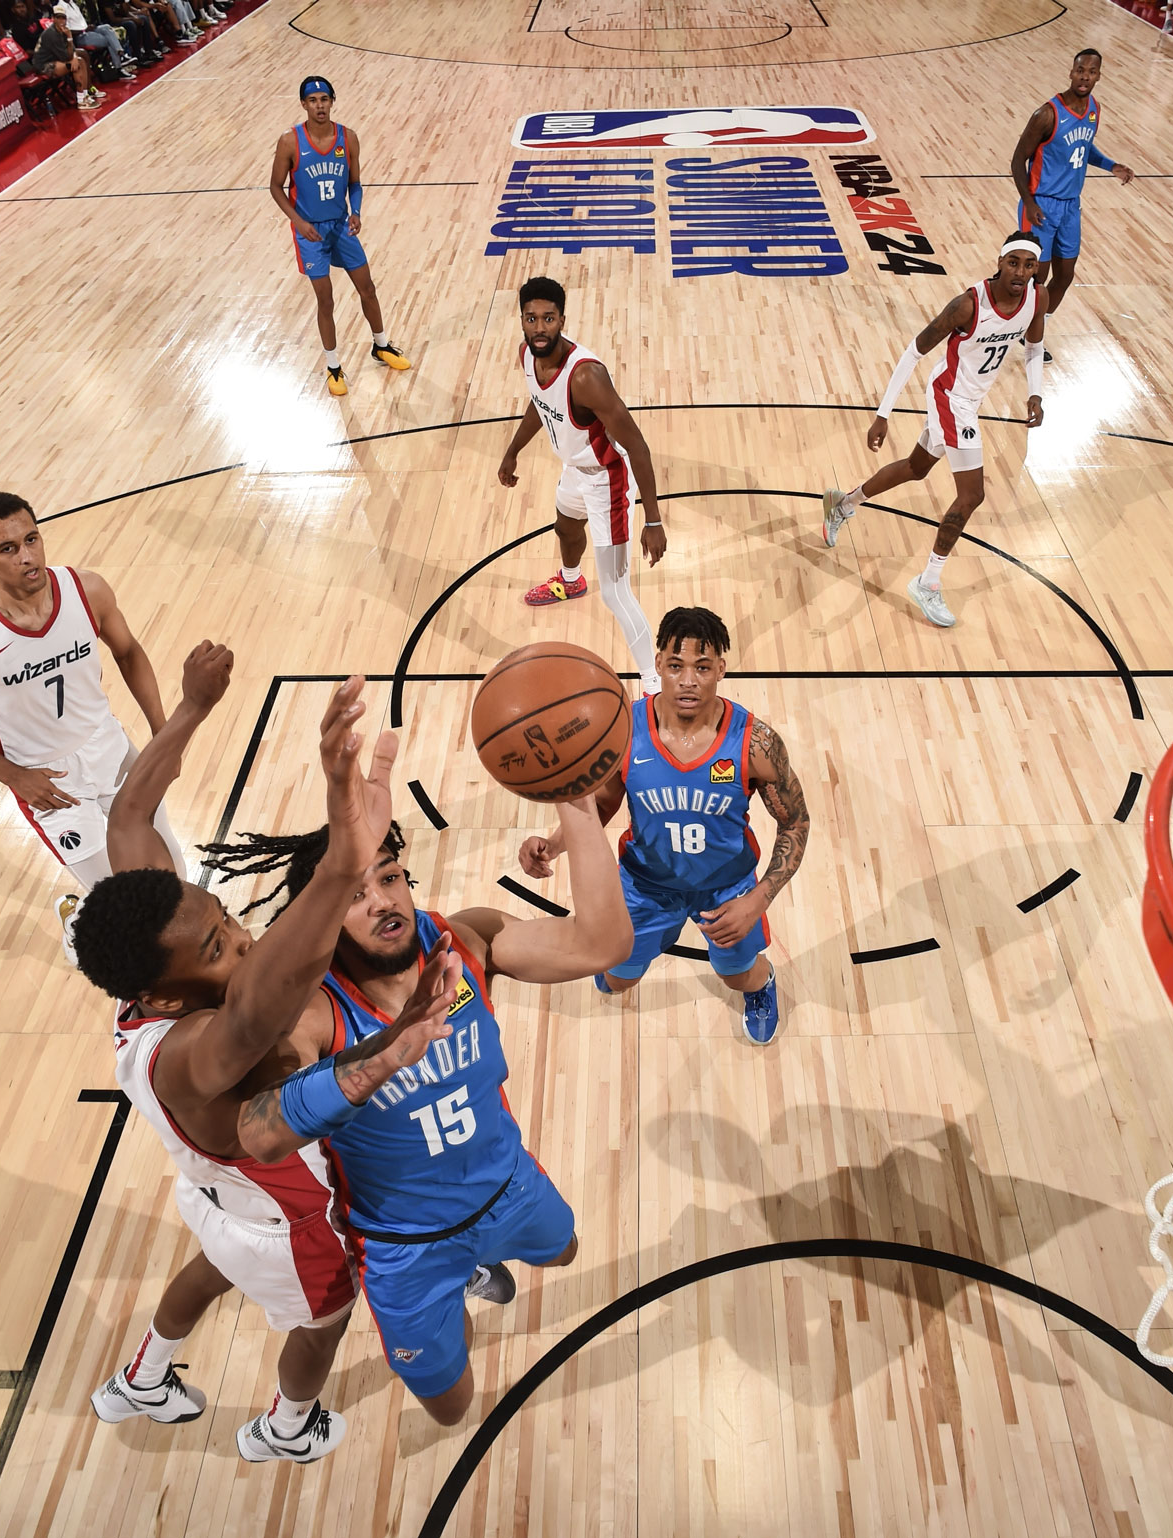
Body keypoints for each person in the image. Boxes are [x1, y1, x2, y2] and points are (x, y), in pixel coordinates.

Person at [77, 661, 462, 1461]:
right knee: (323, 1319)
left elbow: (130, 812)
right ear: (173, 996)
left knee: (215, 1258)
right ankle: (289, 1427)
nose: (242, 939)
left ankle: (145, 1378)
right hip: (291, 1215)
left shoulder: (150, 972)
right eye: (220, 947)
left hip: (215, 1191)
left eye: (221, 916)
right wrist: (341, 865)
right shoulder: (199, 1050)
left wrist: (190, 707)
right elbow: (259, 1002)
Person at [224, 745, 636, 1428]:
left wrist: (574, 794)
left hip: (508, 1185)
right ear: (323, 912)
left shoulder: (462, 941)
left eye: (389, 877)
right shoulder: (313, 1014)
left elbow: (603, 945)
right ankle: (456, 1292)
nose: (382, 902)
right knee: (452, 1407)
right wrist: (383, 1057)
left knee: (565, 1250)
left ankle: (483, 1263)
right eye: (353, 894)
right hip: (405, 1249)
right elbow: (258, 1133)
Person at [518, 606, 808, 1045]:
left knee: (738, 975)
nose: (688, 681)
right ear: (658, 666)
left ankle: (762, 986)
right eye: (676, 666)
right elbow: (604, 804)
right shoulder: (623, 731)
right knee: (617, 978)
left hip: (726, 887)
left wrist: (757, 900)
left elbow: (796, 824)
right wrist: (556, 844)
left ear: (721, 671)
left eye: (702, 667)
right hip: (645, 884)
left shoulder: (755, 743)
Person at [0, 492, 179, 942]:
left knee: (175, 874)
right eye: (8, 549)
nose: (28, 557)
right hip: (48, 781)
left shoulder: (86, 589)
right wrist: (12, 775)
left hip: (110, 748)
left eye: (32, 539)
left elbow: (128, 652)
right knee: (133, 906)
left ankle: (83, 914)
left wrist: (162, 734)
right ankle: (85, 920)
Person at [821, 232, 1047, 630]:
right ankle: (928, 582)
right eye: (1014, 263)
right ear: (999, 261)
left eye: (1029, 265)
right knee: (972, 495)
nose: (1021, 272)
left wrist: (1036, 394)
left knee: (916, 466)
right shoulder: (968, 305)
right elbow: (915, 351)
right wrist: (883, 414)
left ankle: (843, 504)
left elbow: (1032, 347)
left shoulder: (1036, 299)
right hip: (950, 397)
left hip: (971, 400)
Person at [497, 275, 665, 697]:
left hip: (606, 480)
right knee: (565, 527)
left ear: (562, 320)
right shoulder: (527, 355)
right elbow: (541, 404)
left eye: (548, 319)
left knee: (615, 592)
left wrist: (654, 520)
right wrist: (512, 450)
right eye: (531, 318)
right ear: (521, 320)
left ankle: (652, 681)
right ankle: (570, 580)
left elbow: (639, 447)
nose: (539, 328)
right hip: (574, 470)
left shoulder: (586, 377)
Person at [268, 74, 410, 397]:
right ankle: (333, 367)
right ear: (304, 104)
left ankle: (382, 346)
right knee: (326, 299)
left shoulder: (349, 138)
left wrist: (356, 211)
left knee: (368, 288)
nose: (319, 106)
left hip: (340, 225)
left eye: (324, 99)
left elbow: (355, 183)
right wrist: (297, 221)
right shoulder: (290, 141)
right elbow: (275, 187)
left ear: (332, 101)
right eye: (313, 100)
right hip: (310, 233)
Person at [1006, 48, 1134, 358]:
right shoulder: (1046, 114)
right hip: (1041, 206)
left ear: (1098, 76)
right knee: (1038, 277)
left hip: (1070, 207)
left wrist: (1111, 165)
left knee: (1065, 275)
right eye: (1080, 70)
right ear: (1071, 72)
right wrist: (1029, 201)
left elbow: (1084, 147)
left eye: (1091, 72)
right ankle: (1015, 328)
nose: (1085, 76)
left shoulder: (1093, 110)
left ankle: (1034, 327)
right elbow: (1017, 160)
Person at [30, 3, 99, 108]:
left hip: (56, 59)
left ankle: (85, 95)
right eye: (58, 18)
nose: (61, 21)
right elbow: (66, 57)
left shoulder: (64, 30)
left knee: (80, 60)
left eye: (63, 18)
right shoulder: (51, 34)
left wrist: (70, 40)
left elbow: (73, 51)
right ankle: (81, 101)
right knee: (76, 64)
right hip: (44, 66)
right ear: (53, 18)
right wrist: (70, 40)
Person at [50, 0, 129, 78]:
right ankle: (119, 66)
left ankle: (120, 52)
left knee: (106, 27)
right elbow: (65, 30)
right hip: (79, 36)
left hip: (86, 30)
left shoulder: (73, 3)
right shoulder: (60, 8)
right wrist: (83, 30)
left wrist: (88, 27)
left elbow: (80, 22)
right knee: (109, 39)